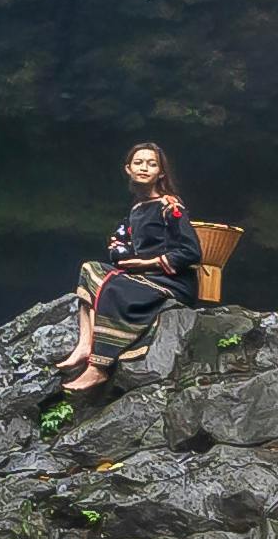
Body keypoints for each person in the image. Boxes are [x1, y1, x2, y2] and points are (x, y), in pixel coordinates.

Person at [56, 142, 197, 398]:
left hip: (170, 281)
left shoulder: (170, 206)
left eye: (152, 164)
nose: (144, 168)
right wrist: (125, 256)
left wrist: (146, 263)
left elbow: (191, 252)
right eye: (139, 163)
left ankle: (99, 365)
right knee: (90, 269)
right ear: (128, 169)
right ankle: (85, 344)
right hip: (140, 277)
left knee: (113, 287)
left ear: (161, 173)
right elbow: (119, 246)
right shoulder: (136, 209)